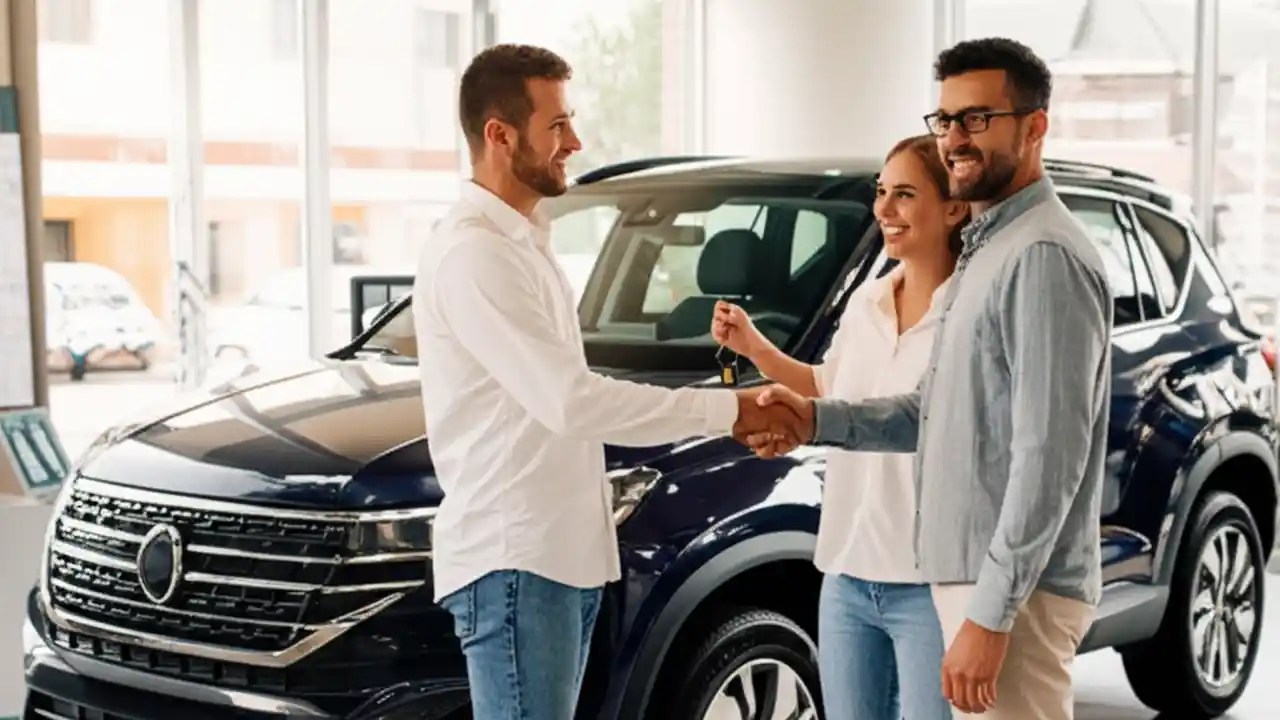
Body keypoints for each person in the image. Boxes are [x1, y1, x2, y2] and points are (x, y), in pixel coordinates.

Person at [411, 44, 795, 720]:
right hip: (517, 564)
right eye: (556, 125)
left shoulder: (523, 239)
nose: (575, 142)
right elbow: (571, 401)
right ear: (499, 135)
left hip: (556, 560)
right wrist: (728, 411)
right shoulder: (478, 252)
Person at [748, 37, 1113, 720]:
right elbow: (935, 411)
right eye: (944, 119)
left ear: (1034, 127)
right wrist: (816, 419)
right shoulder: (989, 250)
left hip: (1011, 593)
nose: (954, 138)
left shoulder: (1040, 256)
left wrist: (991, 616)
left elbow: (1048, 458)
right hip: (972, 582)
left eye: (977, 118)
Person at [711, 134, 967, 720]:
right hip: (847, 574)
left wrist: (810, 420)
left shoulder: (968, 311)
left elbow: (922, 418)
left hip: (928, 584)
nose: (884, 210)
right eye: (881, 193)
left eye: (904, 194)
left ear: (954, 207)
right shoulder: (869, 302)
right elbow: (827, 389)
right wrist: (754, 345)